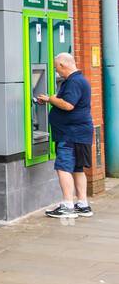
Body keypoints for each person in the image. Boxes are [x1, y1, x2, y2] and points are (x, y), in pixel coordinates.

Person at [39, 52, 94, 219]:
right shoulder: (80, 80)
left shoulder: (73, 82)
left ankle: (68, 205)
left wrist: (50, 99)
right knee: (77, 169)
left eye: (57, 68)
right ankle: (83, 205)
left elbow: (68, 105)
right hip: (79, 133)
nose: (57, 72)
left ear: (63, 65)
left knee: (63, 167)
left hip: (70, 134)